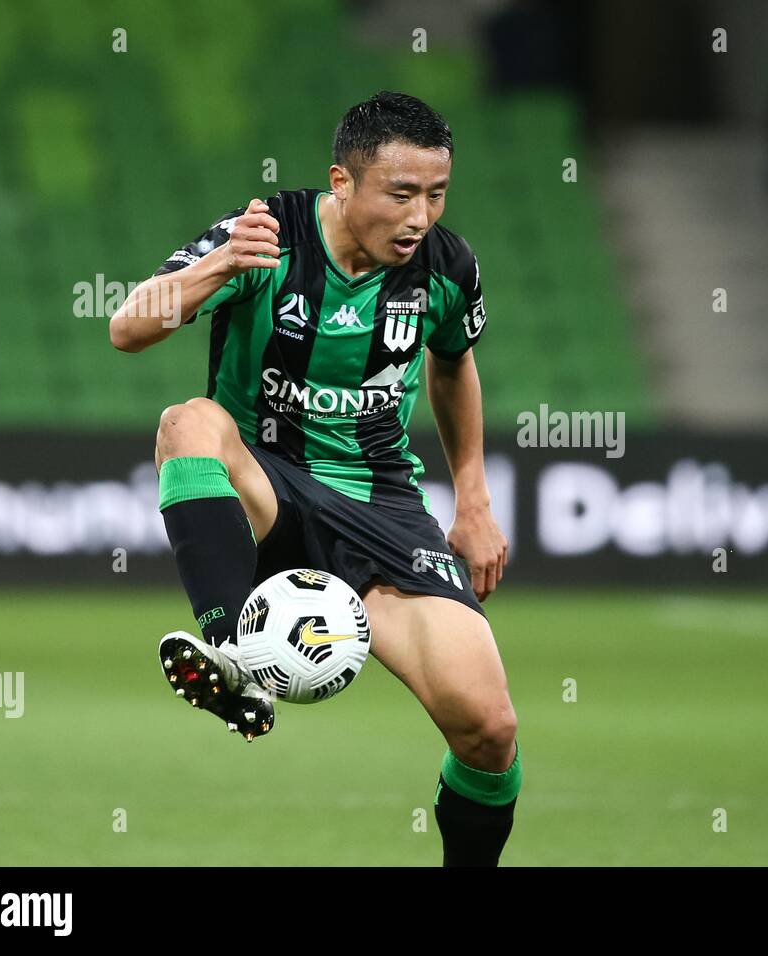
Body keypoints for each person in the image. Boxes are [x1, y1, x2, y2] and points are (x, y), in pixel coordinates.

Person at [108, 91, 521, 866]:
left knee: (489, 729)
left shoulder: (447, 268)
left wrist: (473, 499)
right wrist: (220, 265)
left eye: (436, 194)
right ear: (342, 181)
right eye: (401, 194)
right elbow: (127, 327)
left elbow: (453, 364)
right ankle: (235, 654)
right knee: (186, 423)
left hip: (383, 507)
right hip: (266, 484)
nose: (420, 217)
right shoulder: (263, 233)